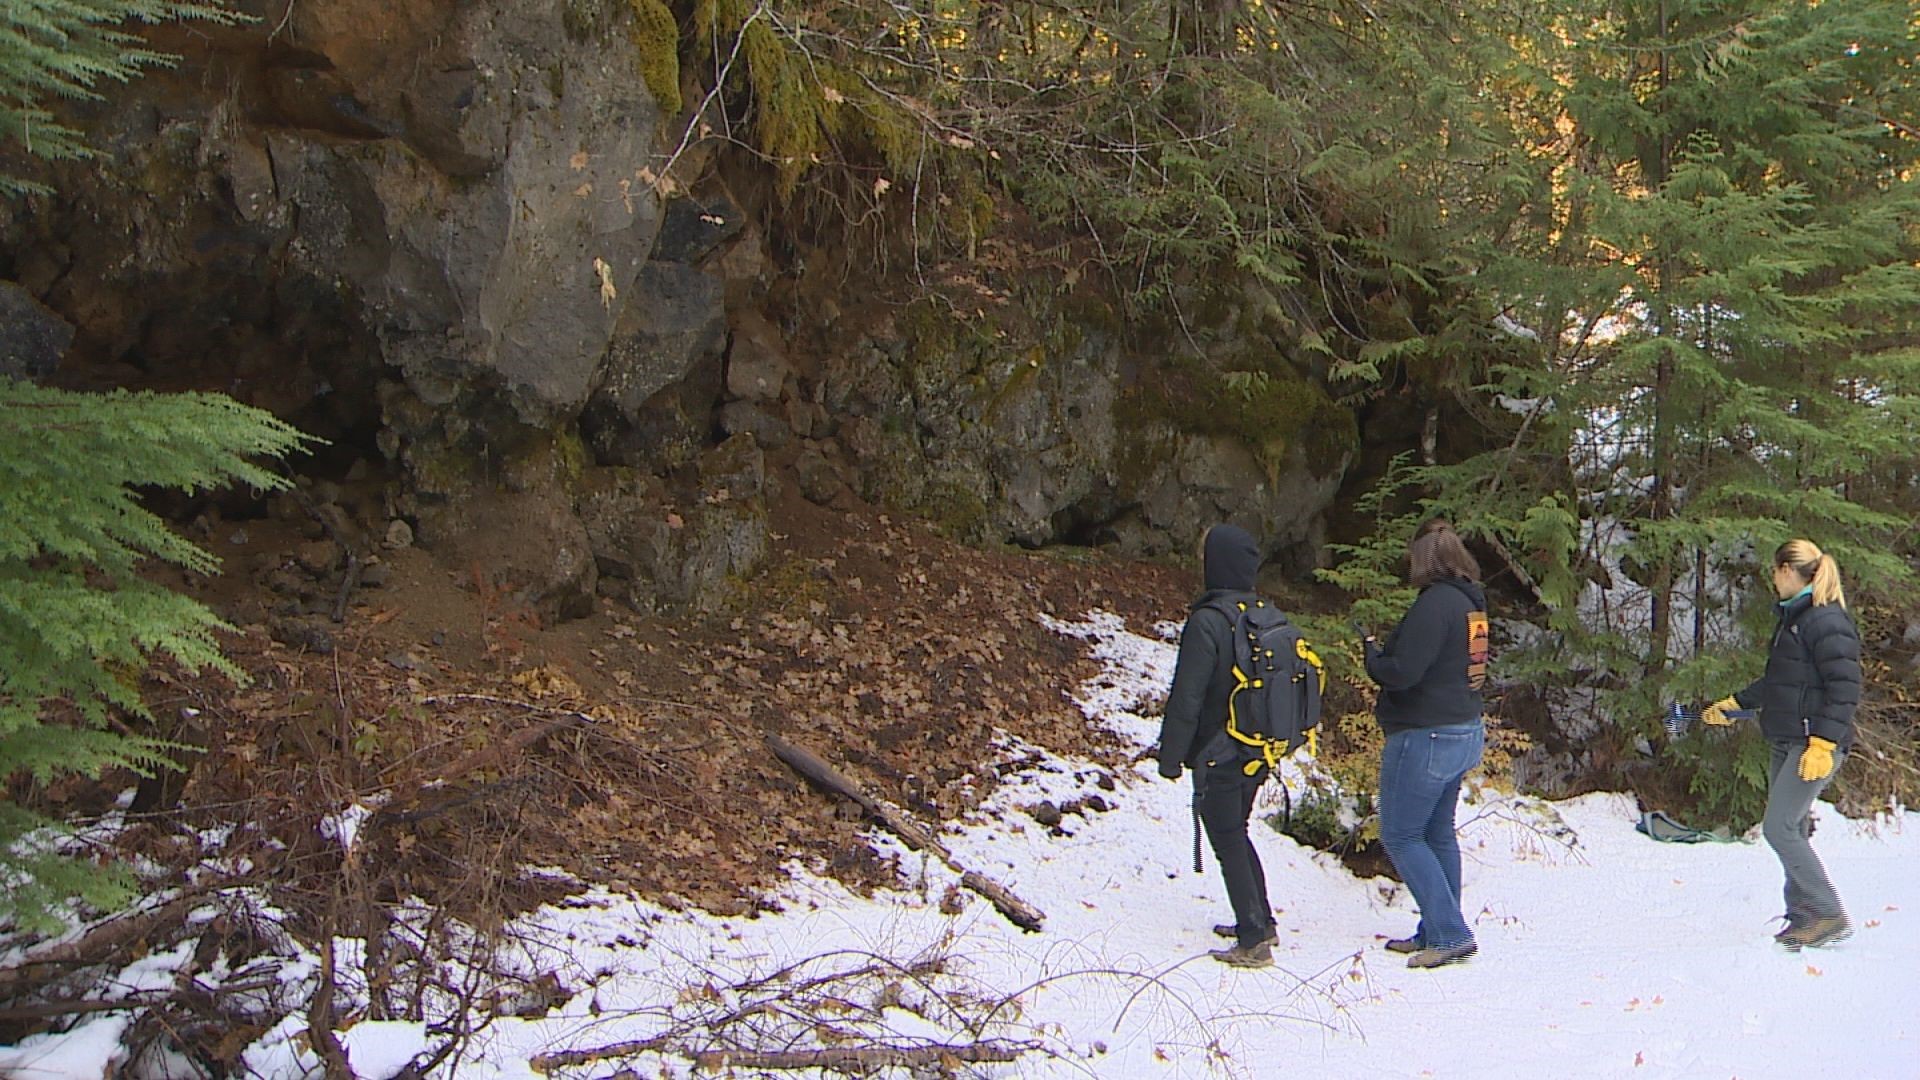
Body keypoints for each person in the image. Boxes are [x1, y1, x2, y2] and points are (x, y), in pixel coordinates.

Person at [1700, 539, 1861, 950]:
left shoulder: (1826, 621)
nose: (1772, 579)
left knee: (1779, 827)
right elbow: (1782, 683)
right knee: (1796, 827)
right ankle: (1805, 915)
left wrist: (1823, 743)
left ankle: (1827, 912)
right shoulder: (1796, 619)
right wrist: (1736, 704)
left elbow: (1846, 687)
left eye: (1774, 571)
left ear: (1789, 570)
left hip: (1813, 744)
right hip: (1788, 739)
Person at [1361, 519, 1490, 969]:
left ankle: (1450, 933)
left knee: (1400, 834)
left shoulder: (1435, 604)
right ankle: (1435, 929)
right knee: (1436, 833)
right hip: (1464, 728)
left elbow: (1403, 671)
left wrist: (1373, 658)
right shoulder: (1472, 604)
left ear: (1426, 559)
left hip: (1427, 734)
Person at [1156, 523, 1278, 968]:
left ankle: (1253, 941)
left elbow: (1187, 697)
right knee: (1236, 831)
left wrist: (1171, 758)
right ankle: (1262, 921)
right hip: (1259, 747)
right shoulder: (1265, 612)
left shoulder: (1208, 621)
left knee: (1227, 837)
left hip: (1220, 750)